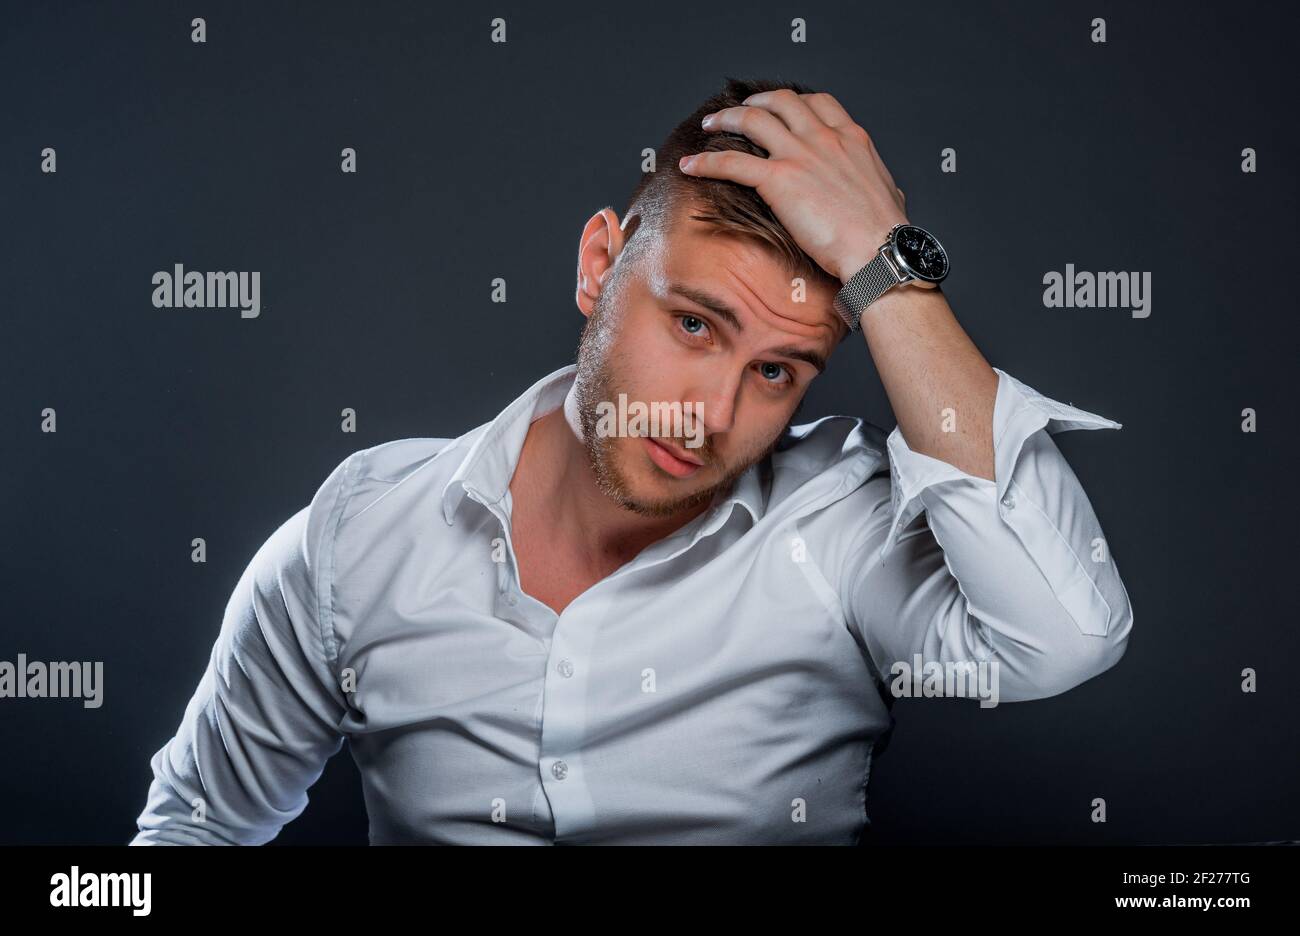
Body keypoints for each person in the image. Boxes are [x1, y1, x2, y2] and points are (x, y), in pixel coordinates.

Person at [130, 77, 1133, 845]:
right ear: (598, 265)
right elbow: (192, 831)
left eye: (778, 371)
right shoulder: (359, 540)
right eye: (694, 323)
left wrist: (886, 262)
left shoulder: (836, 536)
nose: (708, 415)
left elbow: (1062, 635)